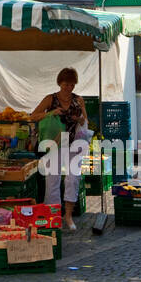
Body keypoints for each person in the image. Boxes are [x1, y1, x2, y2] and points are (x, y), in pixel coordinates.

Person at [28, 67, 89, 230]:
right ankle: (53, 215)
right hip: (54, 143)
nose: (69, 88)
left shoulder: (79, 100)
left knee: (73, 178)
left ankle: (67, 215)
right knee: (52, 180)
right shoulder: (50, 99)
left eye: (72, 85)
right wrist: (51, 113)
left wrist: (80, 119)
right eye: (66, 84)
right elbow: (32, 116)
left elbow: (85, 122)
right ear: (60, 83)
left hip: (73, 143)